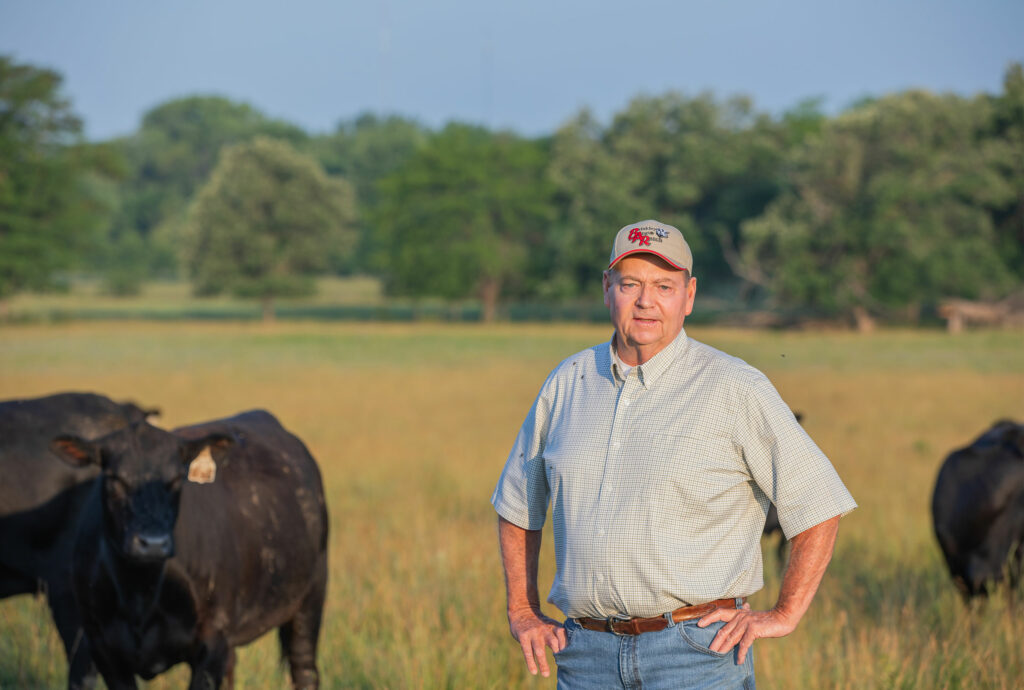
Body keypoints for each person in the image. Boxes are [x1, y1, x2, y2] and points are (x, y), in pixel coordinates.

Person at [492, 220, 857, 688]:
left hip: (695, 656)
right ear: (608, 289)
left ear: (689, 295)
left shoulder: (733, 386)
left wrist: (784, 614)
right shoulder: (569, 381)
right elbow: (518, 504)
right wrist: (522, 610)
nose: (646, 301)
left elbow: (819, 503)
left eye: (664, 286)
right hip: (585, 656)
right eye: (631, 284)